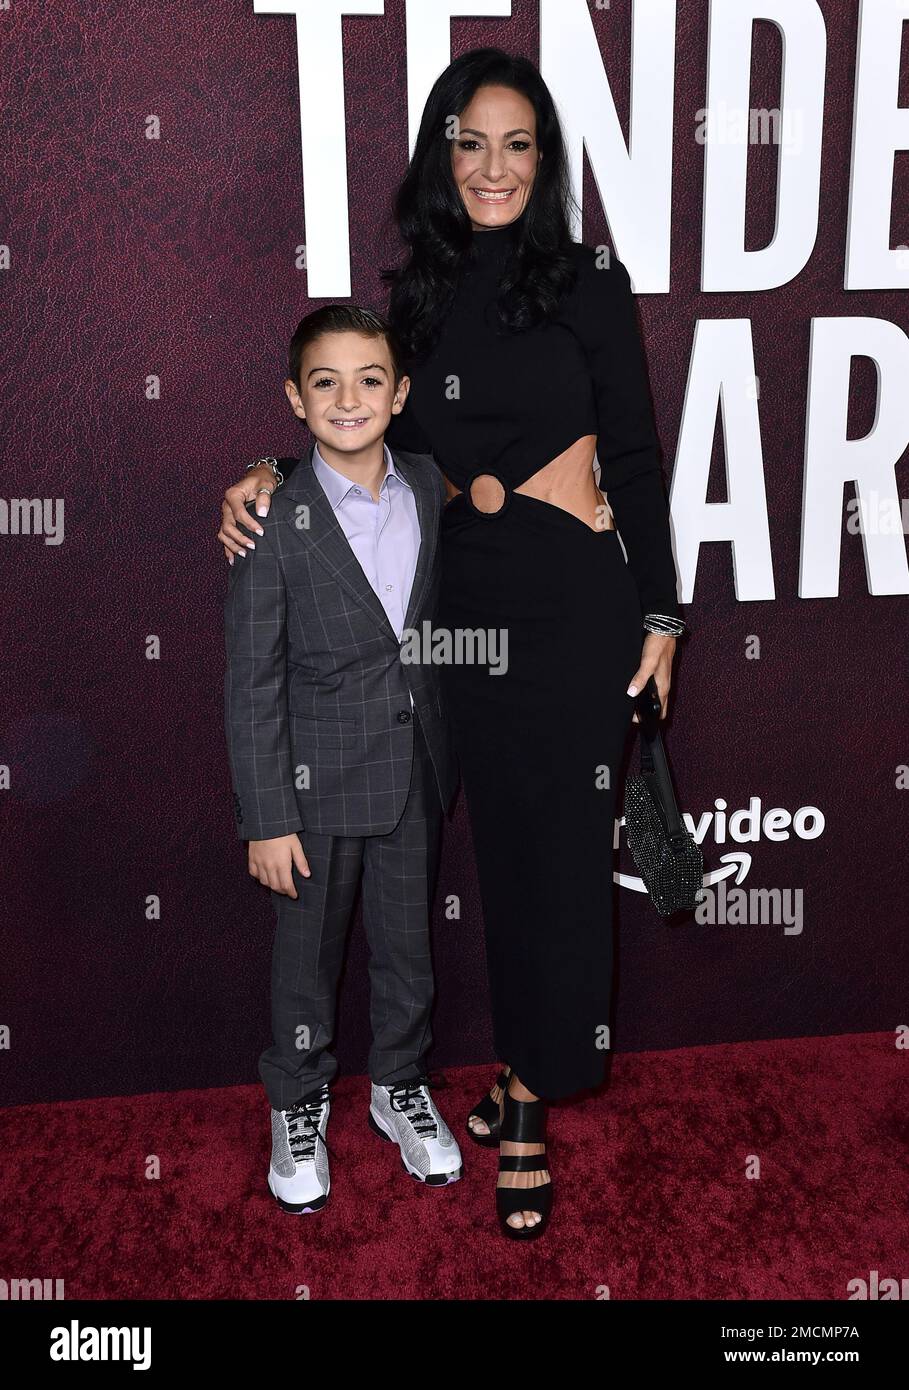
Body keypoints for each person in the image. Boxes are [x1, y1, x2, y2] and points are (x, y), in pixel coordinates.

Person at [220, 49, 686, 1240]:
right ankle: (496, 1064)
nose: (493, 166)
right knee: (496, 854)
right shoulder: (413, 290)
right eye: (469, 142)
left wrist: (662, 613)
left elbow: (632, 456)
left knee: (563, 862)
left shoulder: (588, 279)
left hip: (572, 605)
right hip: (449, 622)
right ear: (440, 154)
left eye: (518, 142)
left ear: (548, 159)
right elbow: (360, 421)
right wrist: (273, 480)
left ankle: (532, 1092)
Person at [223, 303, 462, 1214]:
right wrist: (267, 816)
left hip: (415, 773)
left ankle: (400, 1087)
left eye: (370, 379)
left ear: (400, 394)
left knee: (409, 952)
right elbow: (251, 680)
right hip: (312, 788)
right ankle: (297, 1100)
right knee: (307, 959)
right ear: (295, 398)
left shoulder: (431, 487)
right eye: (325, 382)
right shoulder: (266, 518)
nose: (349, 398)